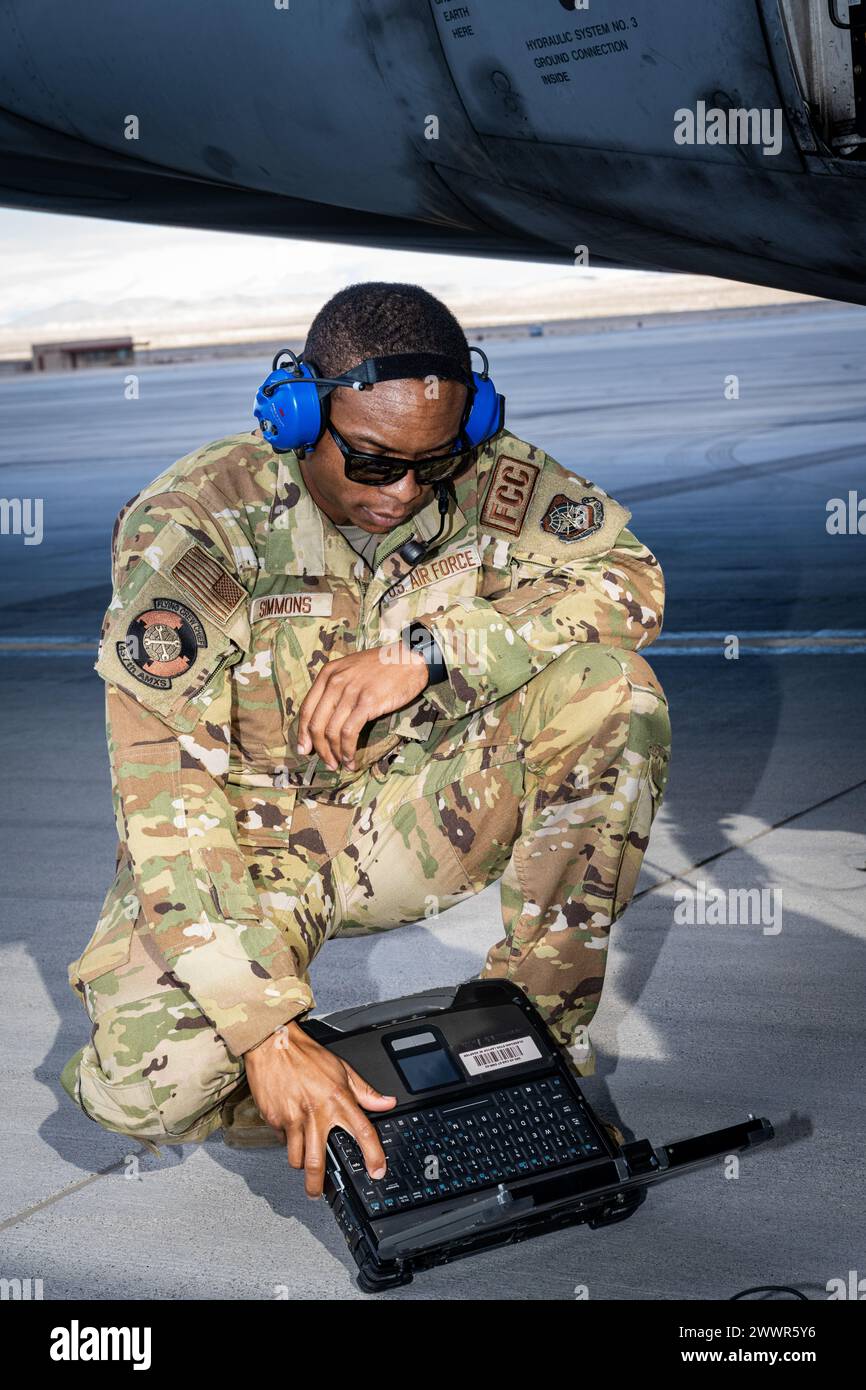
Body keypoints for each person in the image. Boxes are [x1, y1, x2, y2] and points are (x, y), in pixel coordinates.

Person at [61, 282, 670, 1199]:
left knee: (613, 694)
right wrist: (264, 1033)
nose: (405, 493)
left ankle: (532, 1049)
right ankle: (307, 1082)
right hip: (249, 847)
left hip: (412, 817)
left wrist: (432, 652)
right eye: (374, 462)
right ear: (298, 414)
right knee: (149, 1094)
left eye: (433, 463)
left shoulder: (477, 469)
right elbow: (165, 805)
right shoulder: (197, 525)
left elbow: (630, 580)